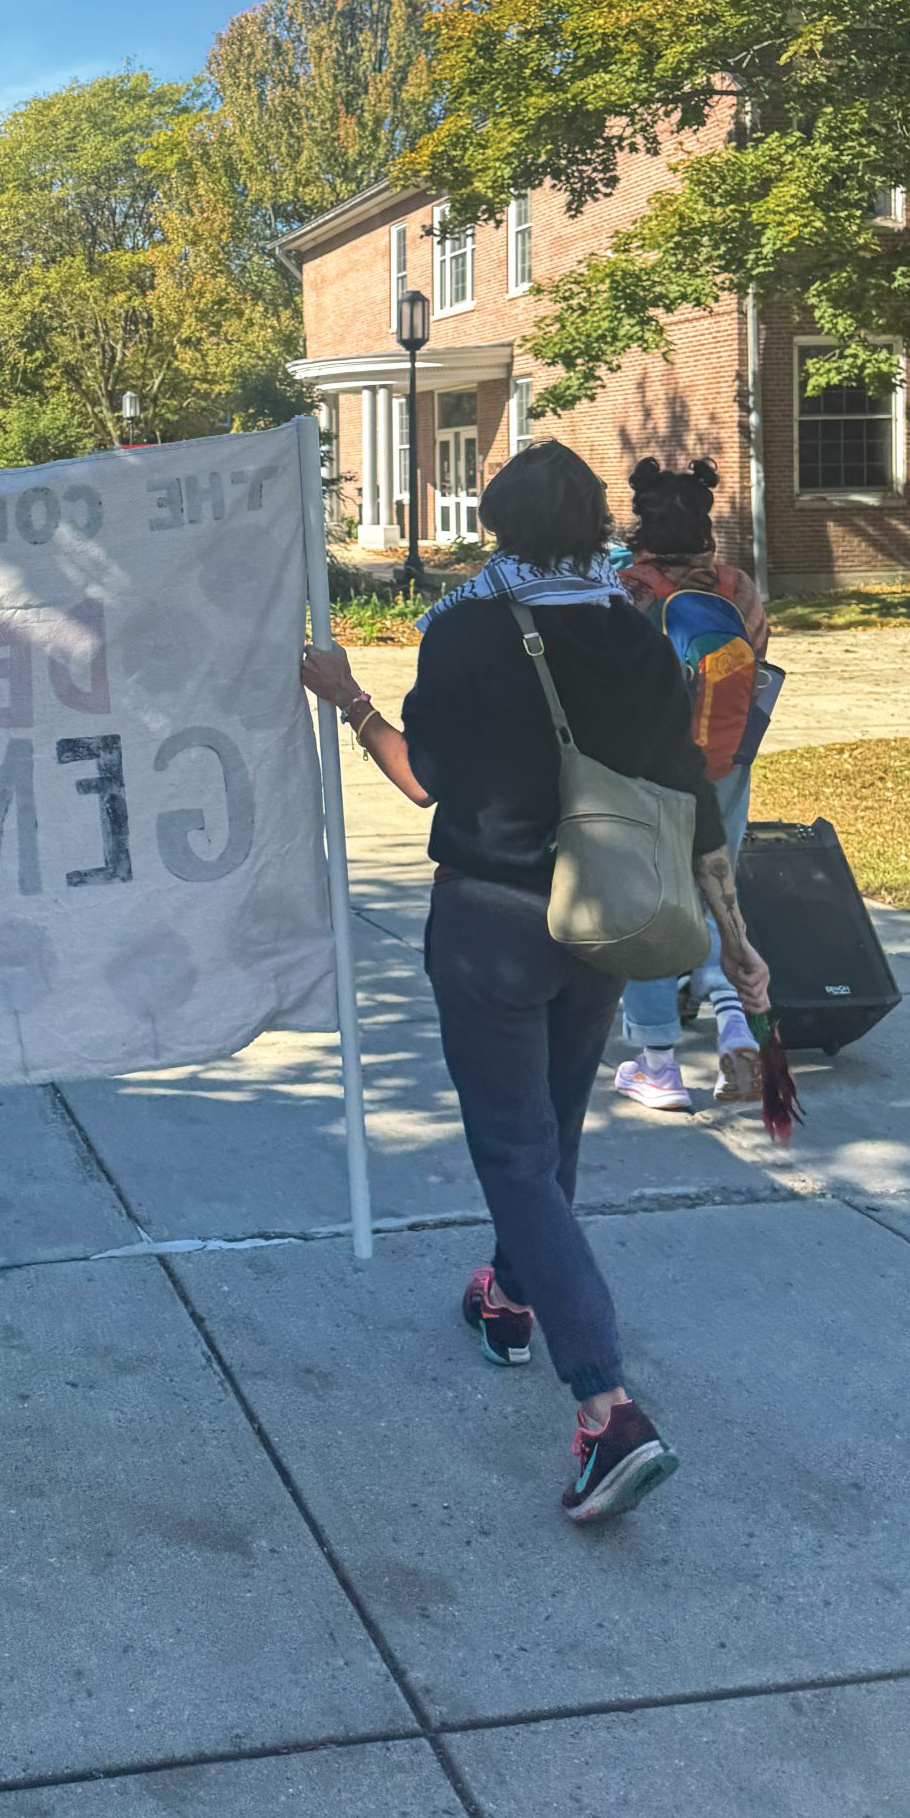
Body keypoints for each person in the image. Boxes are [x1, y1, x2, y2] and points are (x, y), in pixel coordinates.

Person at [300, 441, 770, 1524]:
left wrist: (349, 697)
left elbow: (421, 779)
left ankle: (607, 1405)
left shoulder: (468, 630)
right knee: (552, 1135)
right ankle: (509, 1297)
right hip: (603, 921)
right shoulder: (638, 635)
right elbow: (693, 801)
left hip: (492, 922)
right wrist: (733, 941)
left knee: (513, 1152)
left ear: (498, 526)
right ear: (596, 523)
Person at [614, 457, 771, 1113]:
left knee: (652, 906)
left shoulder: (628, 586)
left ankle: (658, 1065)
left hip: (648, 766)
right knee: (716, 892)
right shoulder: (736, 586)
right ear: (706, 520)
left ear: (642, 520)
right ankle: (735, 1019)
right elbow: (757, 659)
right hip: (726, 763)